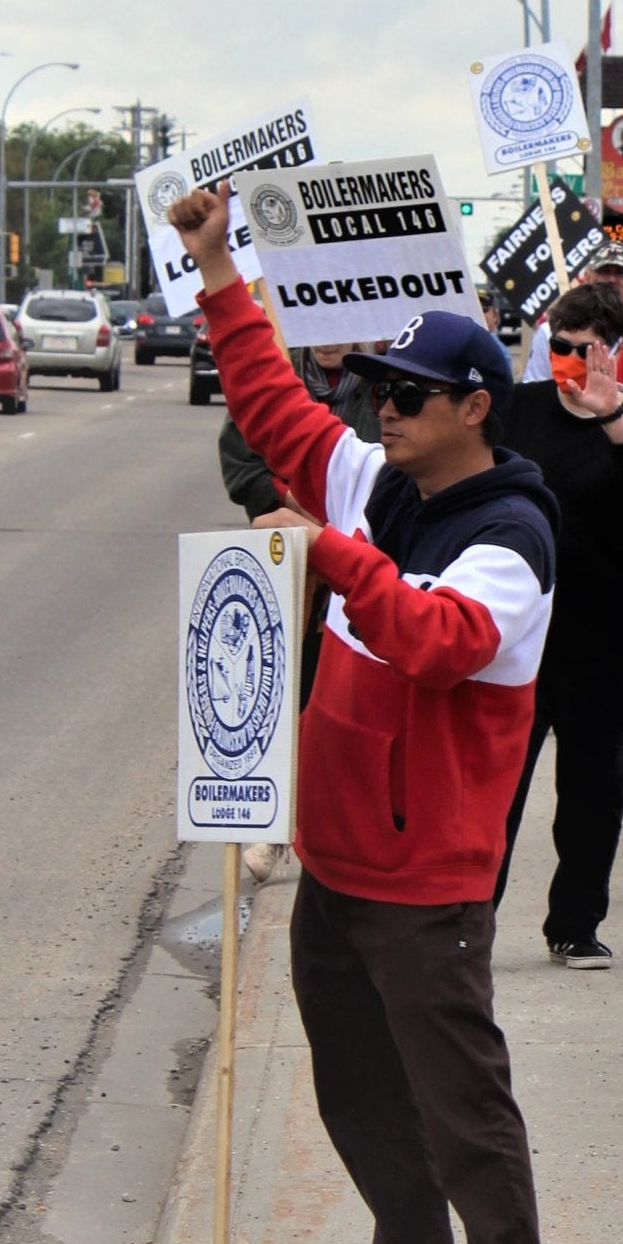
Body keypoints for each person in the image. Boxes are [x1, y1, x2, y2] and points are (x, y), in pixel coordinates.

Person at [165, 181, 570, 1244]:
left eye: (406, 397)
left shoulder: (513, 536)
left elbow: (437, 639)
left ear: (474, 408)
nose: (379, 413)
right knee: (356, 1093)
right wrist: (220, 274)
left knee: (462, 1102)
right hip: (338, 859)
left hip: (429, 875)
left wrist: (330, 548)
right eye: (379, 392)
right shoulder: (377, 479)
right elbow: (277, 412)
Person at [495, 279, 623, 969]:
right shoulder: (518, 410)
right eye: (563, 350)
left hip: (602, 641)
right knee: (496, 793)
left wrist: (614, 421)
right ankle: (468, 920)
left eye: (588, 353)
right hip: (520, 635)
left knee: (595, 795)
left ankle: (575, 922)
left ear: (617, 352)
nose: (574, 365)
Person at [219, 339, 382, 881]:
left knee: (337, 697)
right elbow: (240, 462)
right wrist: (291, 502)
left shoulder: (380, 387)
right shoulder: (280, 380)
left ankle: (336, 831)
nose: (332, 341)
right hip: (285, 561)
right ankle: (274, 828)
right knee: (281, 691)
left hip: (359, 559)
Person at [521, 243, 623, 379]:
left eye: (620, 272)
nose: (612, 279)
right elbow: (535, 385)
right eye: (604, 271)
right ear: (588, 277)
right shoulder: (551, 332)